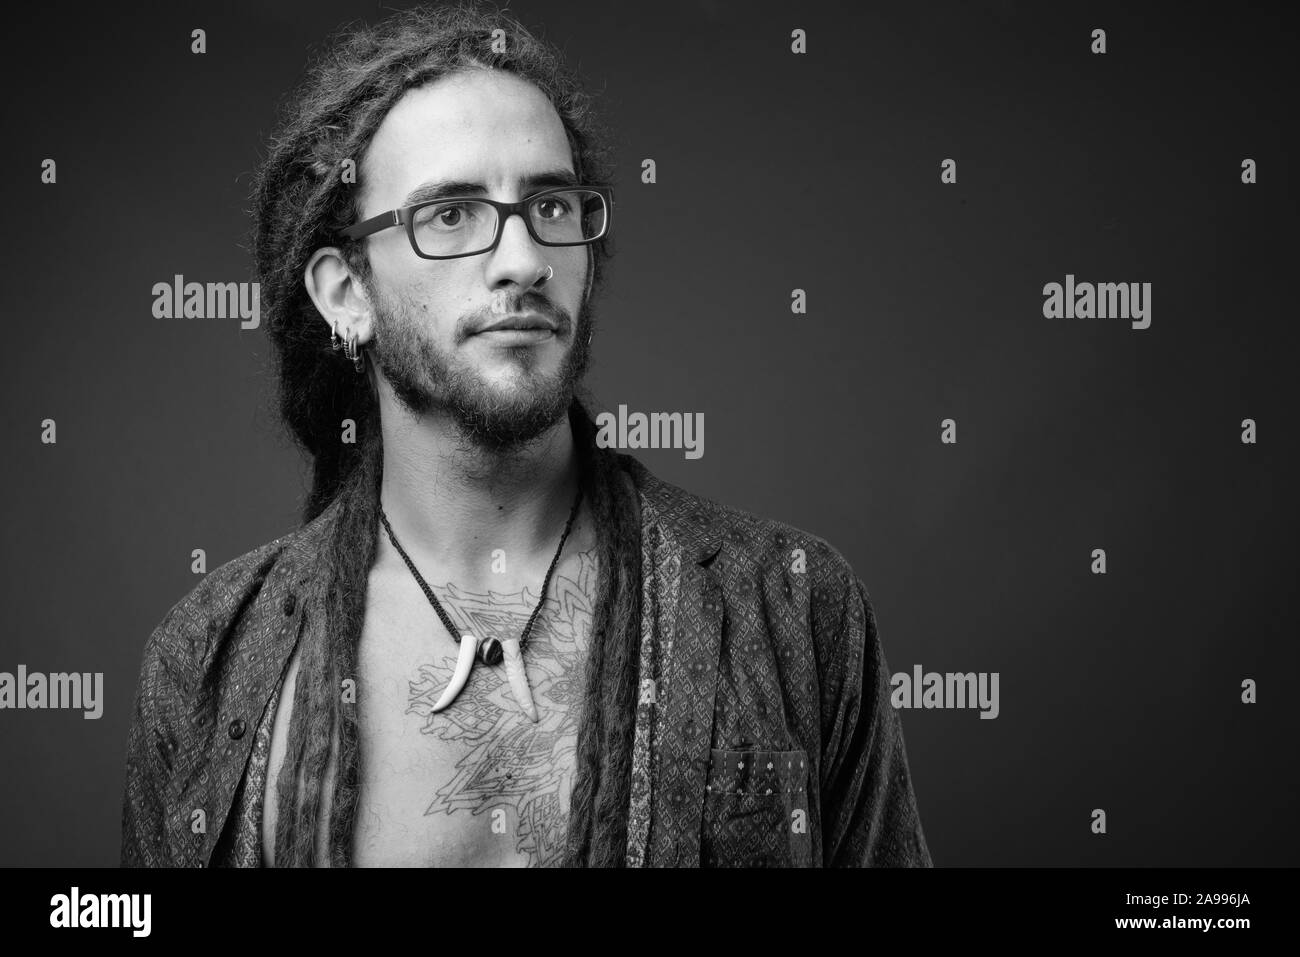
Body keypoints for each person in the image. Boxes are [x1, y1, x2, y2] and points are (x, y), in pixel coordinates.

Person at [120, 1, 932, 868]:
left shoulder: (794, 609)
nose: (521, 259)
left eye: (550, 204)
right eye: (451, 215)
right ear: (344, 292)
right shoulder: (207, 658)